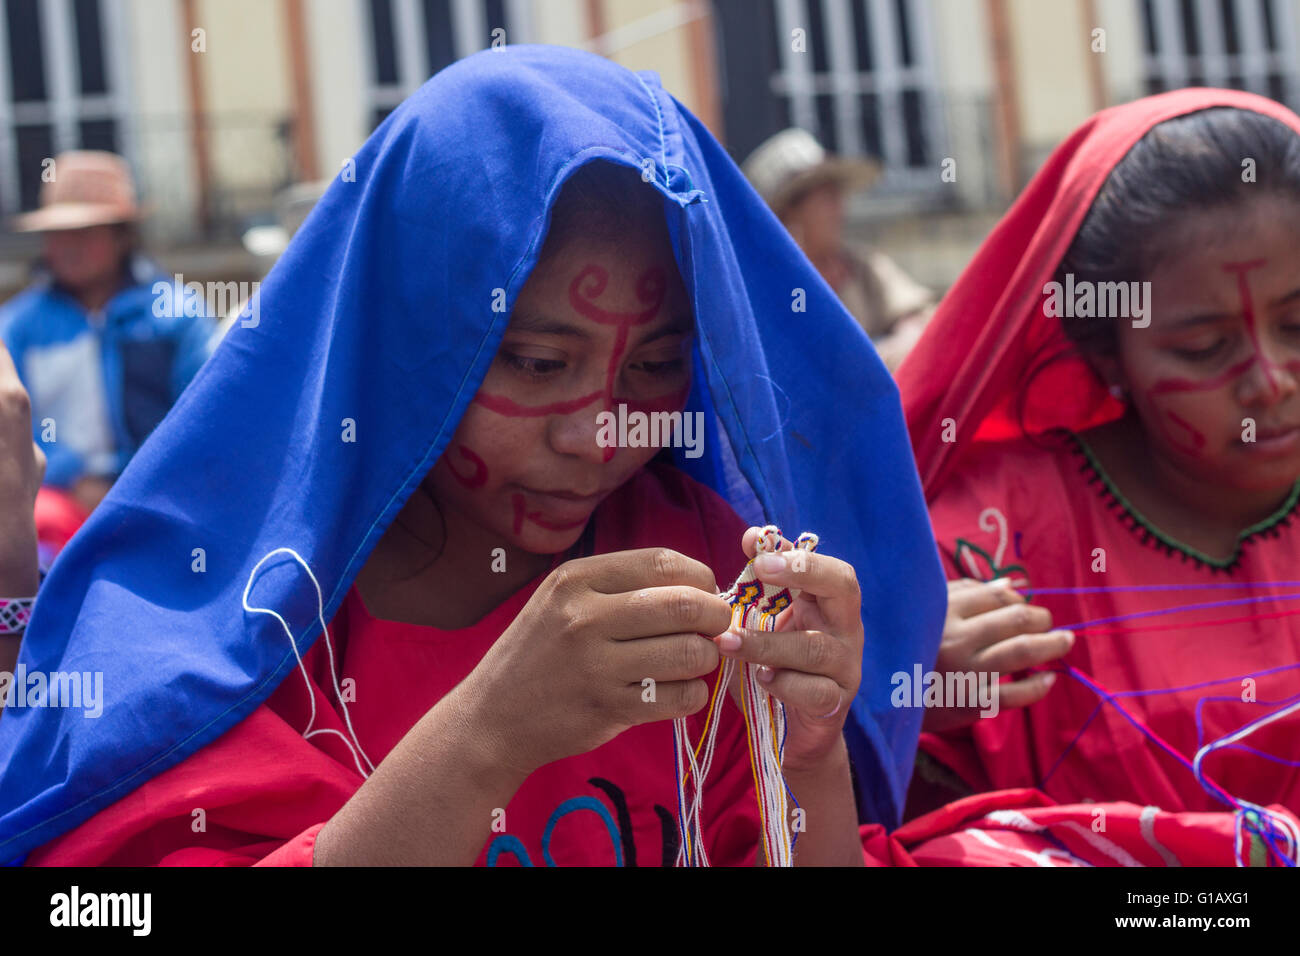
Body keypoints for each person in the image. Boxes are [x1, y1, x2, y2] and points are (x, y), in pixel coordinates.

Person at [0, 46, 944, 866]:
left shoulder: (700, 561)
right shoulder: (237, 615)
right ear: (410, 334)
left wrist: (811, 755)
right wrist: (486, 736)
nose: (599, 432)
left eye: (656, 365)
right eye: (536, 362)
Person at [888, 89, 1300, 865]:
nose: (1270, 380)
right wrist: (895, 691)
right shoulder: (986, 538)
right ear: (1108, 354)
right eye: (1206, 347)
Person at [0, 151, 213, 553]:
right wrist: (75, 479)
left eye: (85, 232)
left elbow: (206, 414)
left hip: (161, 497)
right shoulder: (17, 326)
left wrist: (137, 486)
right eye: (57, 234)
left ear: (122, 235)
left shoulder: (177, 316)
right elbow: (9, 430)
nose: (68, 247)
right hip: (58, 502)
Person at [743, 128, 934, 372]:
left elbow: (918, 312)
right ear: (790, 211)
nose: (839, 210)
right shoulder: (762, 288)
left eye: (838, 197)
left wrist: (906, 336)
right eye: (827, 199)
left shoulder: (862, 266)